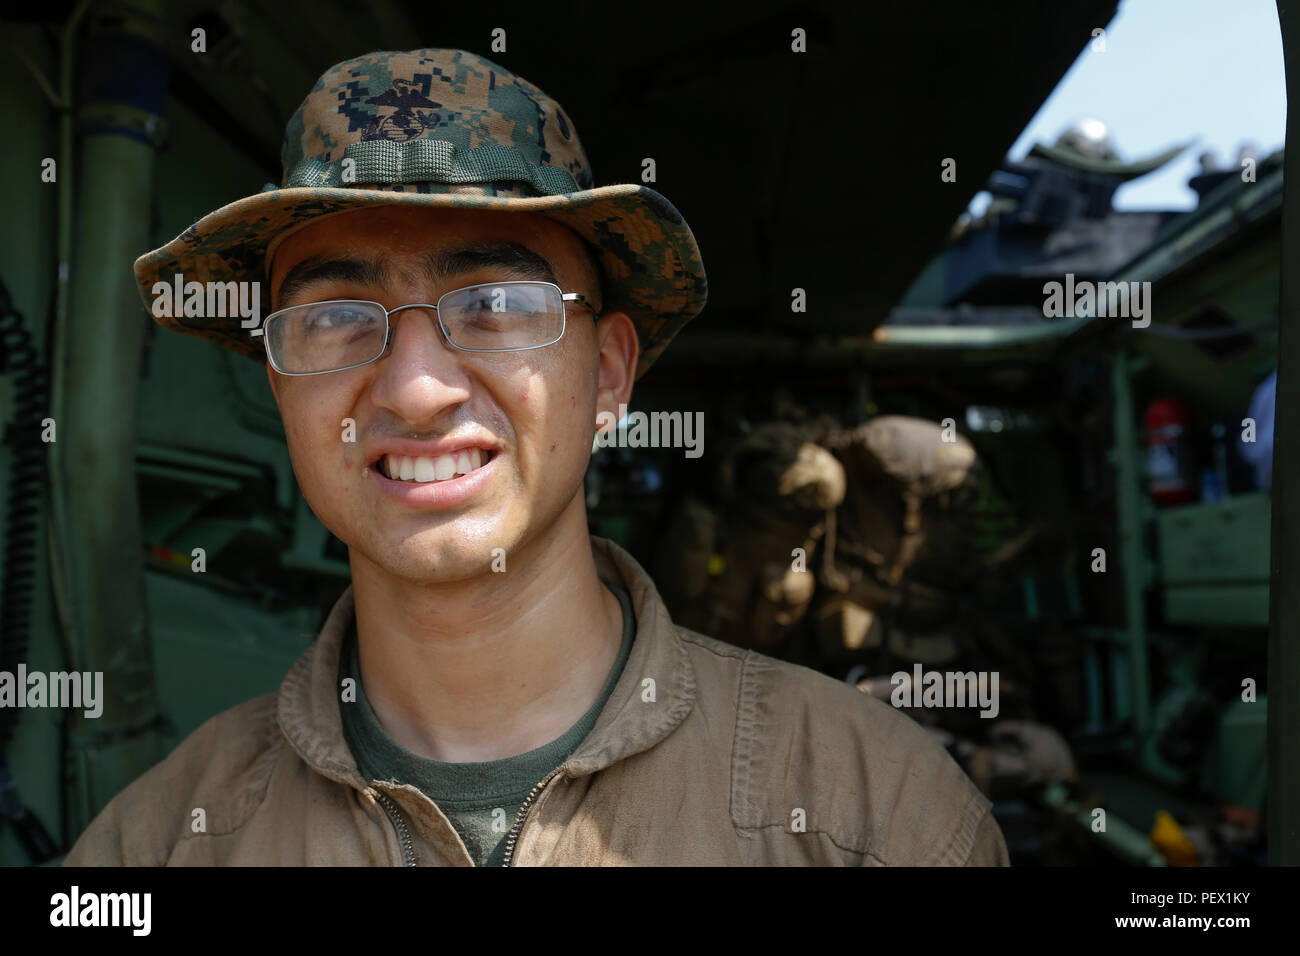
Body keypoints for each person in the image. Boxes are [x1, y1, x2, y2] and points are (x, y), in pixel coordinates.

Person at [64, 48, 1009, 866]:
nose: (415, 390)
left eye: (499, 308)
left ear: (607, 375)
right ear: (282, 388)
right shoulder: (151, 848)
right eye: (334, 319)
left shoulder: (877, 818)